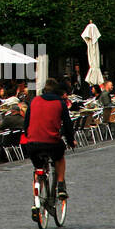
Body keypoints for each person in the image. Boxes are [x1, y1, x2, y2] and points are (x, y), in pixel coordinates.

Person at [23, 78, 76, 206]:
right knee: (59, 157)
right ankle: (61, 185)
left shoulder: (34, 101)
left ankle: (36, 199)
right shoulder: (60, 103)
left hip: (32, 144)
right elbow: (68, 125)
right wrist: (71, 141)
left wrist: (28, 136)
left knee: (38, 167)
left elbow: (26, 123)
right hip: (52, 142)